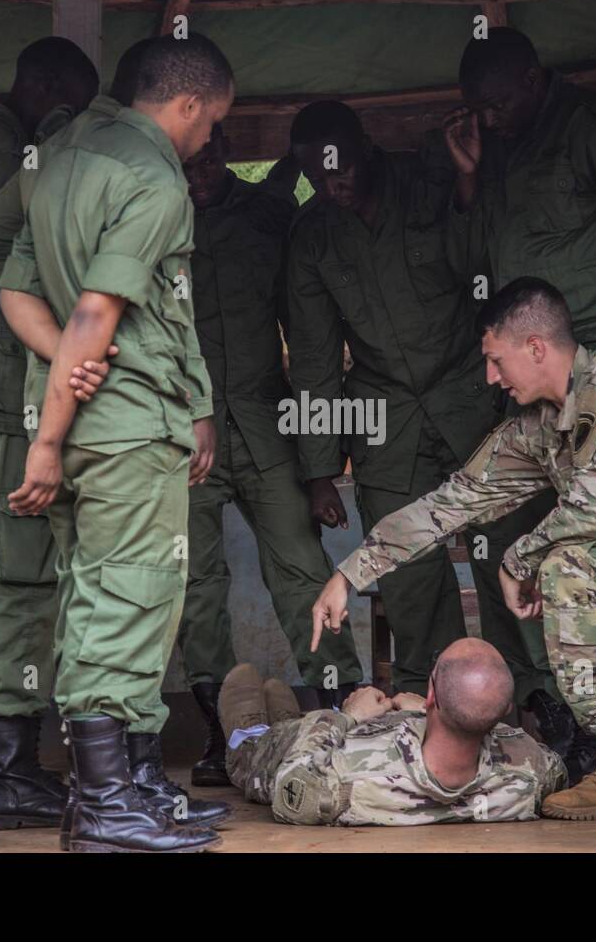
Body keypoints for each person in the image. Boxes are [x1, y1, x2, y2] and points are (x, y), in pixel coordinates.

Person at [312, 278, 596, 821]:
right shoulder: (536, 429)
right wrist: (349, 574)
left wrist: (517, 559)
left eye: (494, 360)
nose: (490, 377)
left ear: (535, 347)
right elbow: (448, 504)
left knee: (567, 570)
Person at [0, 34, 236, 854]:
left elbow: (15, 290)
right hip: (123, 425)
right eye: (214, 123)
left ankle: (127, 790)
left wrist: (63, 365)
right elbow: (97, 317)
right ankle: (104, 805)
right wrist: (50, 437)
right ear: (191, 103)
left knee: (96, 595)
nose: (210, 143)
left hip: (84, 413)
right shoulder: (154, 180)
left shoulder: (61, 159)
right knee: (127, 601)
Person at [283, 99, 576, 757]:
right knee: (407, 571)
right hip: (384, 412)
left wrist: (469, 183)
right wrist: (319, 467)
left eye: (345, 169)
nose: (336, 186)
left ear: (366, 143)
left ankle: (538, 697)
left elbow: (484, 268)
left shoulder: (431, 182)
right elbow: (313, 354)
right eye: (319, 178)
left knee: (506, 549)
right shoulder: (312, 236)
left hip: (467, 387)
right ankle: (429, 709)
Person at [176, 124, 364, 787]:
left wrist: (319, 463)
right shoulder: (150, 209)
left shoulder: (269, 212)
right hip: (182, 432)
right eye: (186, 160)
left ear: (224, 147)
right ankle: (224, 731)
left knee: (302, 568)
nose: (197, 171)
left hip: (266, 422)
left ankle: (337, 712)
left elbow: (306, 328)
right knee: (195, 586)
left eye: (208, 157)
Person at [0, 37, 100, 830]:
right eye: (69, 102)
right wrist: (5, 346)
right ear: (41, 88)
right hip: (1, 392)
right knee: (13, 576)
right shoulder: (8, 152)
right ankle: (7, 764)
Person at [444, 27, 596, 379]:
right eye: (479, 111)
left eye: (497, 106)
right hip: (531, 364)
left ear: (532, 79)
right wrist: (467, 176)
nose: (488, 121)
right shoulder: (490, 150)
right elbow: (468, 263)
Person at [219, 638, 565, 825]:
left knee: (252, 693)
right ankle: (285, 715)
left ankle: (256, 728)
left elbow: (289, 787)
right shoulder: (532, 774)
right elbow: (488, 719)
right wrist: (428, 713)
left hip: (278, 749)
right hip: (428, 717)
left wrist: (348, 717)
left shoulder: (349, 778)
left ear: (431, 694)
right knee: (280, 695)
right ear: (505, 711)